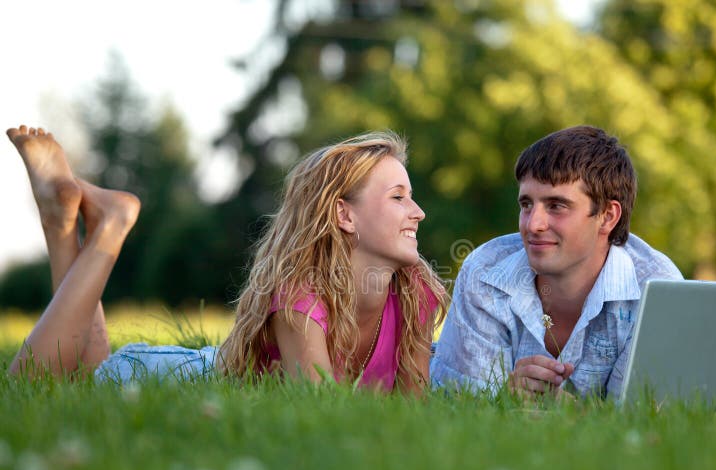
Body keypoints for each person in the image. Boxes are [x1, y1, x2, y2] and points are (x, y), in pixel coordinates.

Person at [6, 125, 448, 394]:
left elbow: (411, 412)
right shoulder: (302, 297)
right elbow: (320, 406)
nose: (418, 212)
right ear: (344, 215)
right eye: (398, 197)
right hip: (177, 378)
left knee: (83, 367)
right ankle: (107, 227)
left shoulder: (416, 292)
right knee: (36, 383)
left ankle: (61, 222)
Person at [430, 125, 682, 400]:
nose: (533, 225)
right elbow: (460, 401)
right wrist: (503, 397)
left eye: (556, 206)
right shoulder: (485, 272)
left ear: (608, 216)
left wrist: (567, 410)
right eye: (527, 204)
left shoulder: (657, 289)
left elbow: (645, 412)